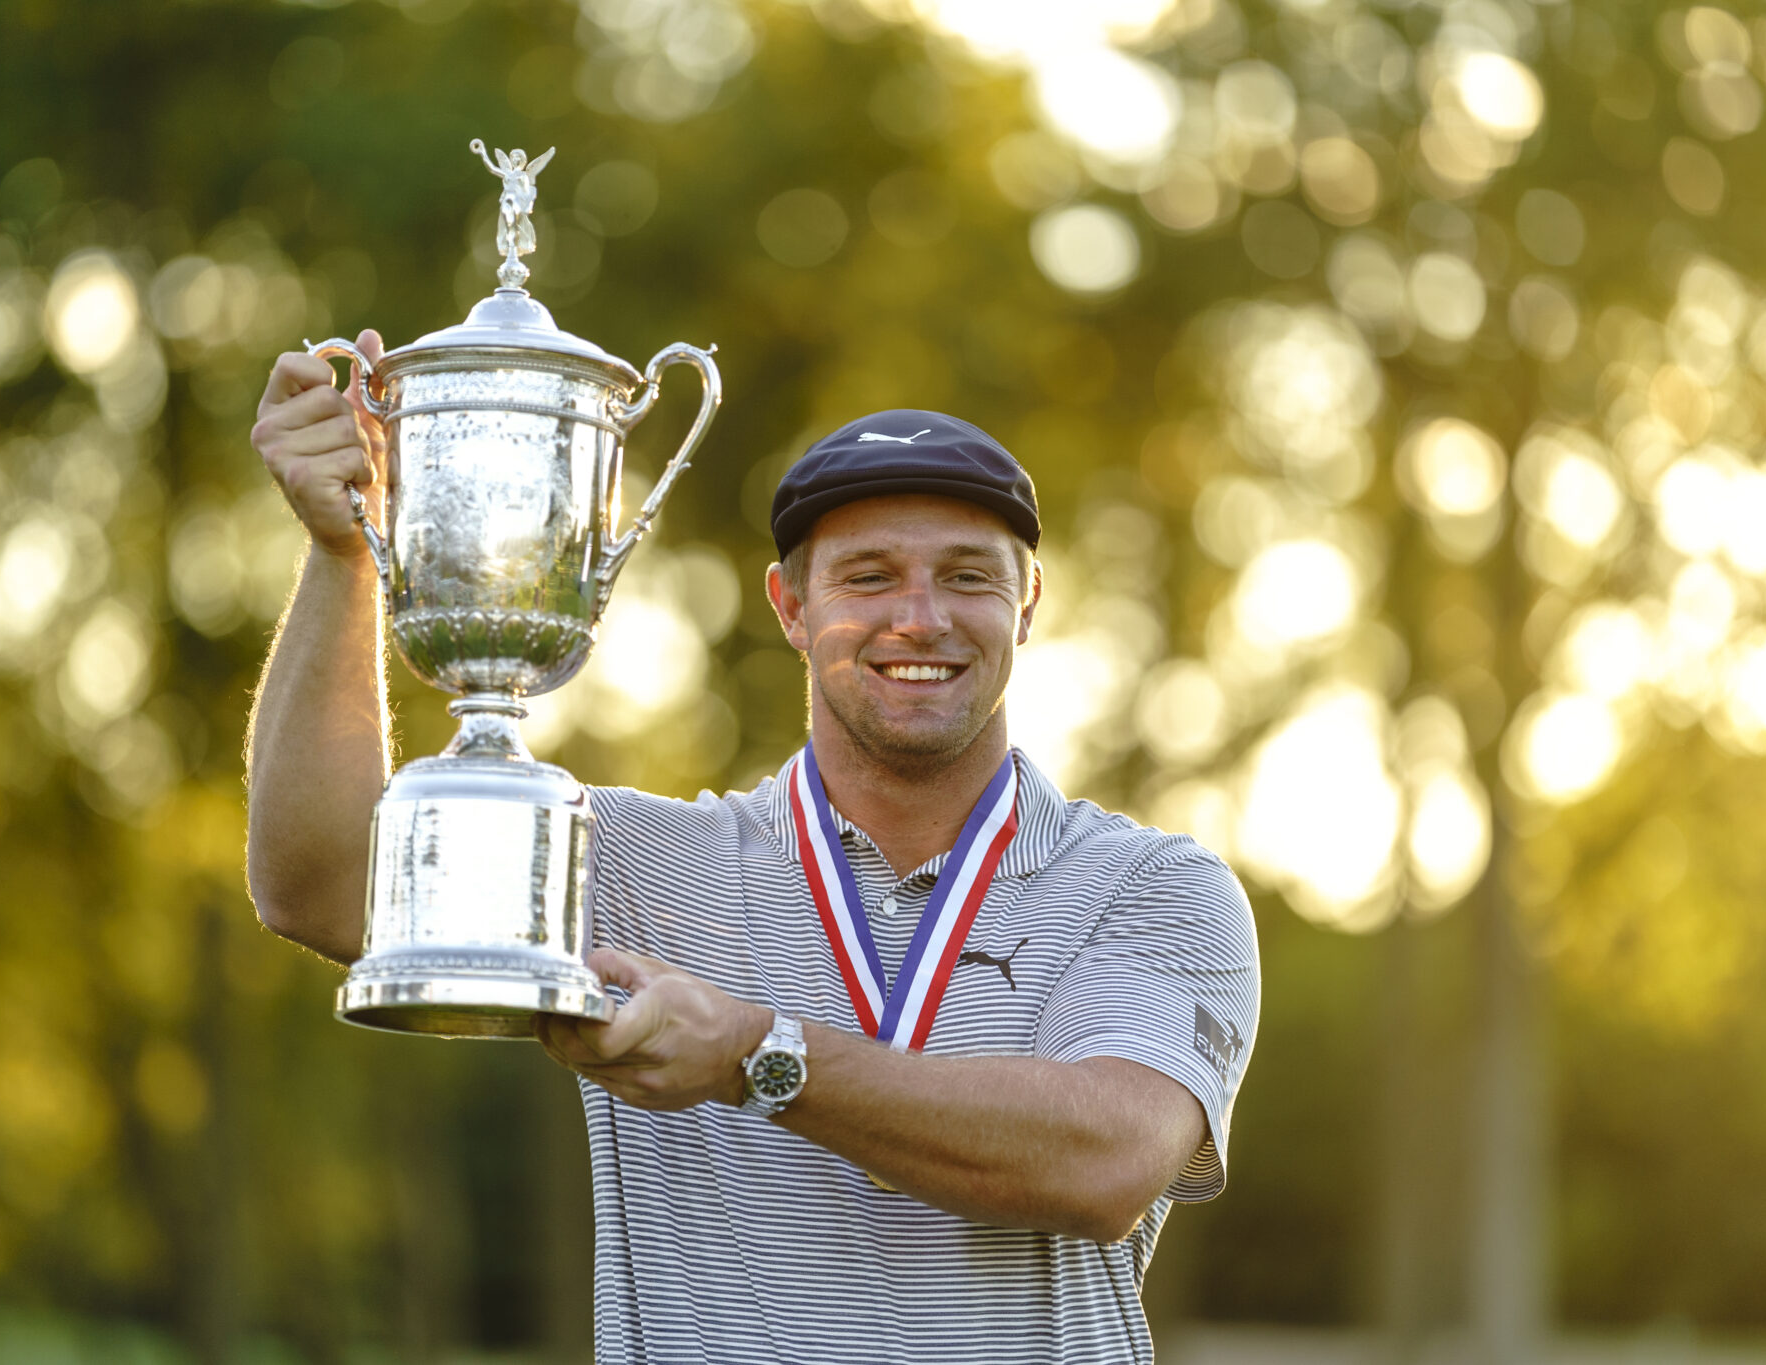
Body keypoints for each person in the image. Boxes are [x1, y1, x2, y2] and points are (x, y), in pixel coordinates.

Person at [246, 330, 1261, 1364]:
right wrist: (343, 555)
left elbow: (1107, 1161)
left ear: (1027, 603)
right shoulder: (636, 861)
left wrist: (756, 1053)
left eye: (967, 577)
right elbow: (321, 883)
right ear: (791, 608)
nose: (920, 618)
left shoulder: (1152, 887)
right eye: (867, 577)